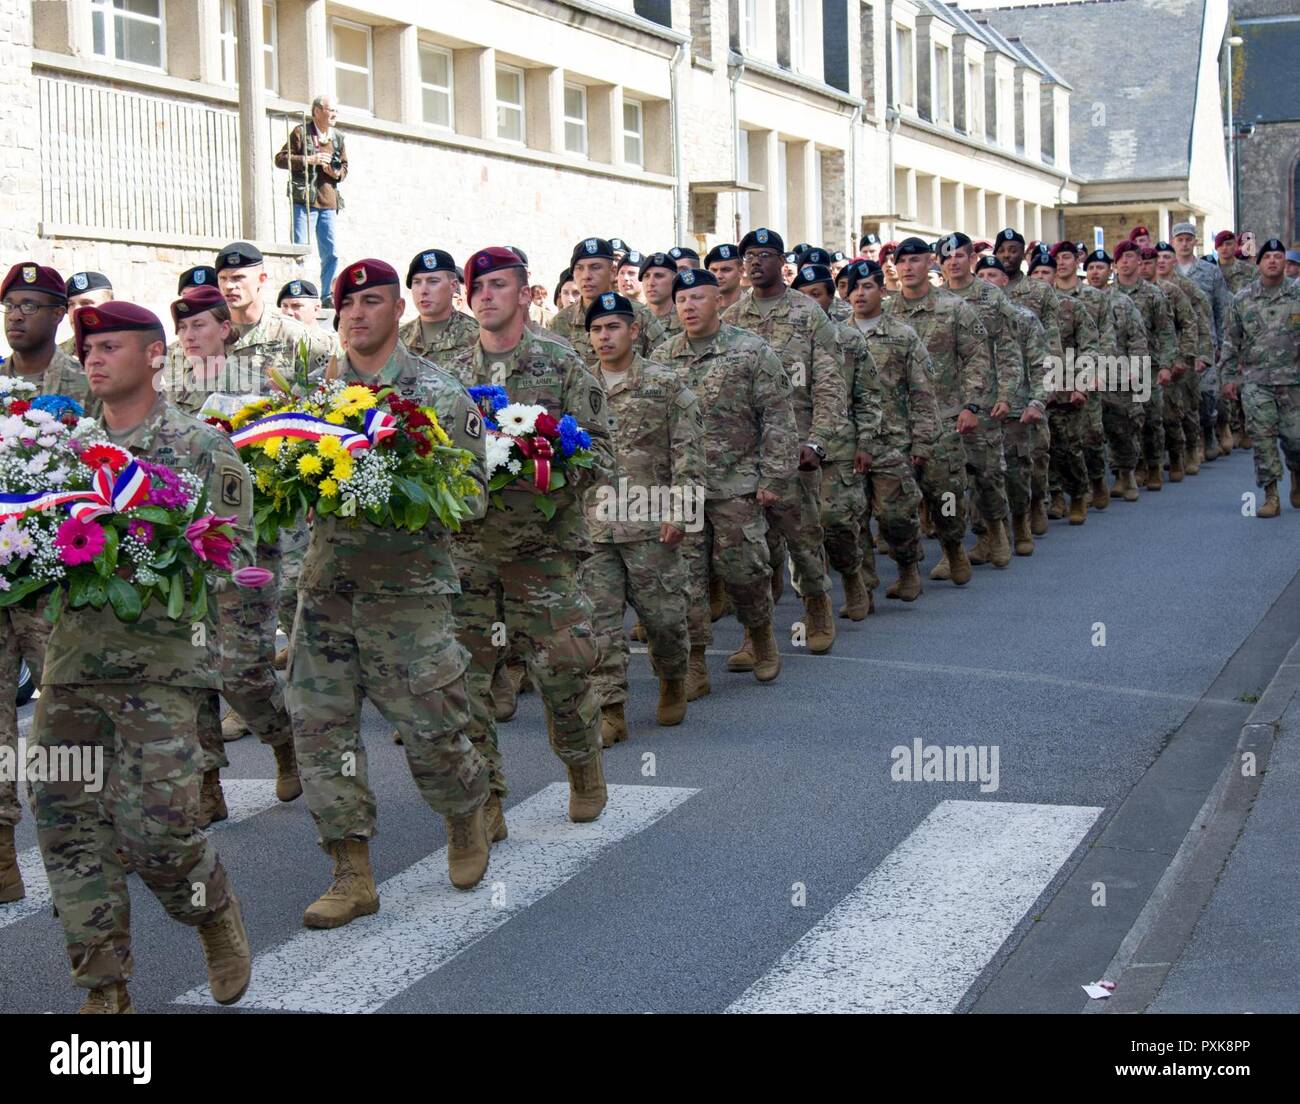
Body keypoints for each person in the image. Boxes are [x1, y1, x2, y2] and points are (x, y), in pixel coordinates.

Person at [32, 300, 253, 1013]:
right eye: (87, 348)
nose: (94, 359)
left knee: (158, 833)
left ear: (156, 355)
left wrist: (157, 547)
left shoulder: (198, 446)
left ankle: (211, 909)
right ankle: (104, 988)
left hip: (160, 671)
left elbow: (239, 557)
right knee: (67, 828)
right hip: (69, 669)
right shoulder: (60, 451)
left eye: (112, 347)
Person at [286, 259, 493, 929]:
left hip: (407, 592)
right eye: (346, 304)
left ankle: (465, 816)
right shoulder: (311, 394)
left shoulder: (437, 393)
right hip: (326, 590)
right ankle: (350, 870)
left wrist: (402, 482)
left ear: (396, 308)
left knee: (432, 730)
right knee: (320, 730)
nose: (355, 314)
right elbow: (283, 486)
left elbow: (475, 496)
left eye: (371, 302)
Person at [447, 247, 614, 840]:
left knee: (562, 670)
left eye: (498, 285)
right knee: (465, 683)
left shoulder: (561, 361)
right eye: (478, 287)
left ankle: (583, 767)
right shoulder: (447, 371)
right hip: (467, 555)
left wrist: (544, 464)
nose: (485, 295)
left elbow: (602, 448)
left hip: (542, 551)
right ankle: (487, 799)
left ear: (525, 293)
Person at [168, 285, 301, 820]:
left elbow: (288, 453)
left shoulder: (261, 383)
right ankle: (206, 784)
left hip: (247, 545)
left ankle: (282, 739)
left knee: (240, 669)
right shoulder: (167, 389)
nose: (189, 336)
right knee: (190, 665)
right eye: (182, 328)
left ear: (225, 327)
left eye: (199, 325)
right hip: (180, 547)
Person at [0, 261, 95, 907]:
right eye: (11, 304)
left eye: (33, 305)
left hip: (57, 583)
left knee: (69, 719)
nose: (17, 315)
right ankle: (3, 856)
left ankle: (91, 850)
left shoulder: (84, 386)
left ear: (60, 315)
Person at [657, 267, 797, 692]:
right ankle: (696, 661)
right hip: (684, 491)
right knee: (688, 578)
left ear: (718, 300)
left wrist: (773, 476)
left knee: (744, 571)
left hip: (736, 484)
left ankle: (761, 637)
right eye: (681, 300)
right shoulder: (662, 359)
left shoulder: (751, 351)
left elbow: (777, 416)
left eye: (698, 298)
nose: (689, 307)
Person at [579, 291, 704, 743]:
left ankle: (673, 676)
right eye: (596, 329)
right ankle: (611, 708)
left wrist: (683, 514)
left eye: (613, 327)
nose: (604, 336)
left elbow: (689, 452)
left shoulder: (666, 384)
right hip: (594, 524)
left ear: (634, 331)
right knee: (598, 622)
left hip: (652, 522)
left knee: (664, 618)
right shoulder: (580, 387)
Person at [725, 228, 849, 657]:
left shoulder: (808, 314)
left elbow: (832, 386)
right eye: (750, 257)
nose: (756, 263)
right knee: (750, 549)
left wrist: (818, 443)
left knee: (803, 539)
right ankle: (754, 635)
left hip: (795, 449)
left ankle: (817, 608)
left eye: (765, 255)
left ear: (783, 263)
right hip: (745, 452)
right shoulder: (732, 319)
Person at [886, 237, 990, 585]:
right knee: (897, 504)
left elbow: (977, 356)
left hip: (943, 418)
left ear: (929, 263)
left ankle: (953, 548)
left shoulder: (953, 308)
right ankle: (908, 569)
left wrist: (971, 405)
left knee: (945, 494)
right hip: (896, 424)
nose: (908, 268)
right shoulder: (885, 313)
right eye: (902, 262)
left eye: (915, 261)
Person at [842, 259, 938, 602]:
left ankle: (908, 568)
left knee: (895, 514)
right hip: (847, 442)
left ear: (883, 291)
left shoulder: (902, 335)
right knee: (852, 519)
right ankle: (863, 585)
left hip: (892, 441)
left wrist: (923, 441)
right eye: (852, 287)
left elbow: (923, 393)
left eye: (867, 286)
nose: (859, 293)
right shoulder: (837, 336)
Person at [792, 262, 883, 615]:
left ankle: (854, 579)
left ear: (832, 298)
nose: (810, 303)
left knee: (840, 522)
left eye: (817, 295)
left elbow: (867, 395)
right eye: (802, 296)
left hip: (839, 446)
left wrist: (866, 443)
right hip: (793, 446)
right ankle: (815, 602)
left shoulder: (848, 339)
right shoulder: (779, 344)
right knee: (801, 531)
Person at [939, 233, 1023, 564]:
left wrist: (1006, 394)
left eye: (960, 254)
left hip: (984, 400)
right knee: (945, 479)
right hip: (942, 404)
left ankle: (995, 530)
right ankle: (952, 548)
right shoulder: (933, 299)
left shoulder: (991, 297)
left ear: (972, 258)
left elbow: (1008, 348)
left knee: (986, 473)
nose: (953, 261)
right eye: (947, 256)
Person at [1220, 238, 1300, 518]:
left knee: (1296, 440)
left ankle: (1296, 474)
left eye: (1279, 257)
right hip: (1256, 382)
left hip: (1294, 381)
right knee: (1263, 440)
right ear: (1259, 263)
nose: (1274, 261)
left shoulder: (1298, 295)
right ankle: (1270, 495)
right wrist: (1228, 377)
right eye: (1268, 257)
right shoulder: (1242, 299)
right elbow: (1231, 340)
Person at [1086, 248, 1150, 501]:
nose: (1095, 272)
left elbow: (1136, 338)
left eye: (1100, 267)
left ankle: (1127, 474)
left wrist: (1136, 369)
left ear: (1109, 270)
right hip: (1087, 375)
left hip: (1118, 374)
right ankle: (1095, 482)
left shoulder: (1122, 302)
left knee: (1121, 428)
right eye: (1090, 268)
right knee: (1089, 431)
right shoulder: (1078, 301)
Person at [274, 94, 347, 305]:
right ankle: (300, 293)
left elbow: (344, 168)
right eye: (330, 109)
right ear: (316, 111)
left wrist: (335, 173)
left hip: (329, 203)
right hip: (304, 202)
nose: (334, 114)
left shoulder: (338, 137)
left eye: (336, 110)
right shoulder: (301, 132)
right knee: (300, 251)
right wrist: (309, 159)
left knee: (331, 253)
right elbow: (280, 159)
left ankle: (326, 296)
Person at [550, 238, 666, 364]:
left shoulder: (639, 315)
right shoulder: (560, 322)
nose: (586, 276)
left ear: (612, 272)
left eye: (595, 267)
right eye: (579, 268)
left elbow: (661, 367)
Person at [399, 248, 480, 361]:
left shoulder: (479, 338)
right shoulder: (397, 341)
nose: (423, 290)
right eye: (417, 282)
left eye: (433, 281)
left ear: (453, 286)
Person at [58, 271, 113, 359]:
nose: (76, 310)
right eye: (70, 304)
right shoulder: (54, 357)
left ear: (110, 306)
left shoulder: (129, 352)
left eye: (86, 303)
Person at [639, 251, 681, 341]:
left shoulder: (686, 319)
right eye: (646, 276)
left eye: (659, 276)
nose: (651, 283)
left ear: (674, 280)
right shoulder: (634, 319)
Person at [705, 243, 744, 312]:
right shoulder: (702, 309)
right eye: (714, 270)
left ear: (741, 271)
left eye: (726, 270)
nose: (718, 276)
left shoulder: (754, 306)